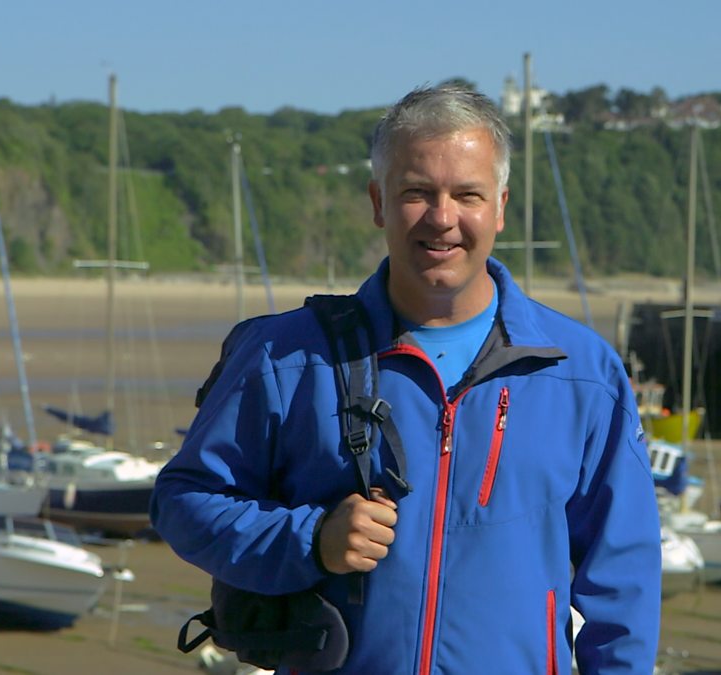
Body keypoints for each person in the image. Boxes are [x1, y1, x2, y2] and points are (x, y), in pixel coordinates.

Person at [151, 84, 662, 674]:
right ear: (378, 202)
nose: (442, 218)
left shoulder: (581, 373)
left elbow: (623, 578)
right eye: (417, 193)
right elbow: (183, 503)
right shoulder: (288, 357)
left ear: (500, 207)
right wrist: (311, 539)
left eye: (467, 195)